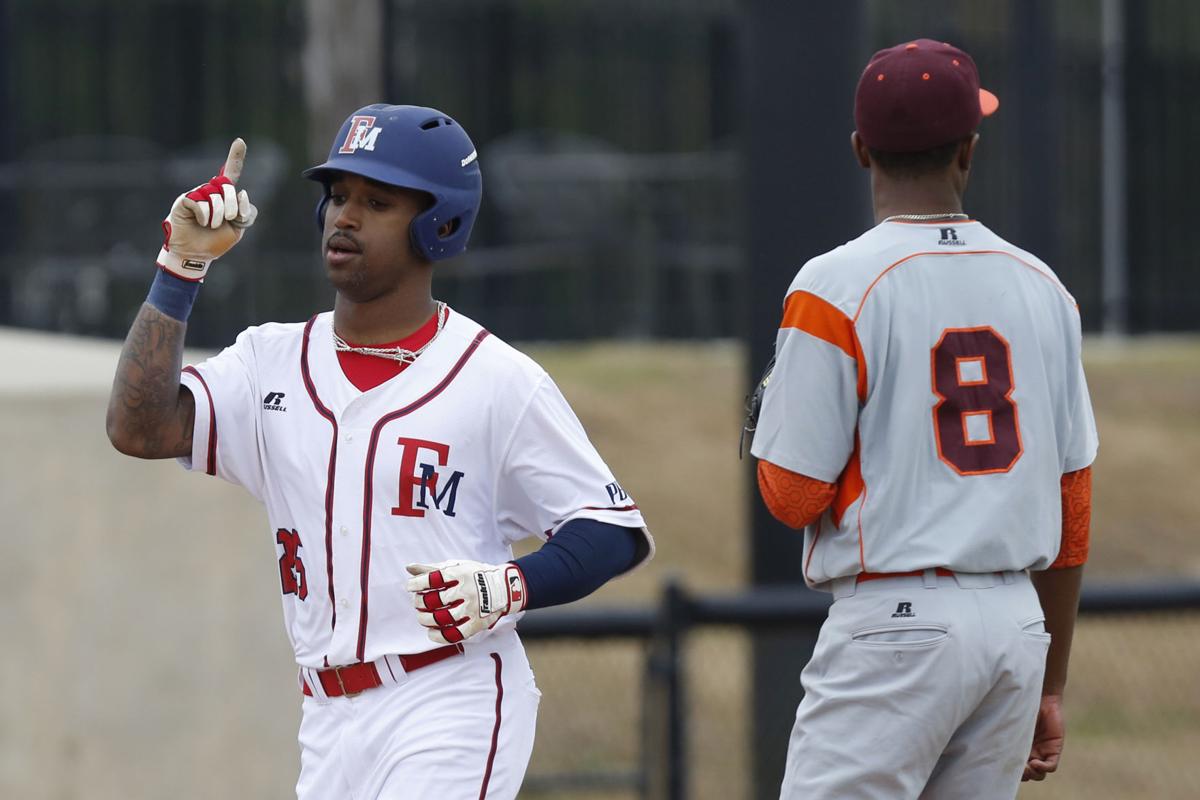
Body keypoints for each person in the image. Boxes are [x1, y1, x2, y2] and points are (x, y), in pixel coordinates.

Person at [106, 104, 653, 799]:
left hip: (447, 696)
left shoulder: (495, 379)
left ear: (439, 223)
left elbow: (610, 529)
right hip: (326, 718)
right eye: (337, 196)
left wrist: (511, 586)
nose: (345, 217)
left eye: (377, 201)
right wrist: (179, 268)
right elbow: (139, 428)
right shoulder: (270, 361)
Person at [749, 40, 1096, 799]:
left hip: (895, 625)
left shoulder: (833, 285)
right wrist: (1050, 681)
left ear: (860, 149)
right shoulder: (1046, 289)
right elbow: (1072, 507)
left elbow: (791, 496)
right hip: (1012, 625)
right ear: (968, 150)